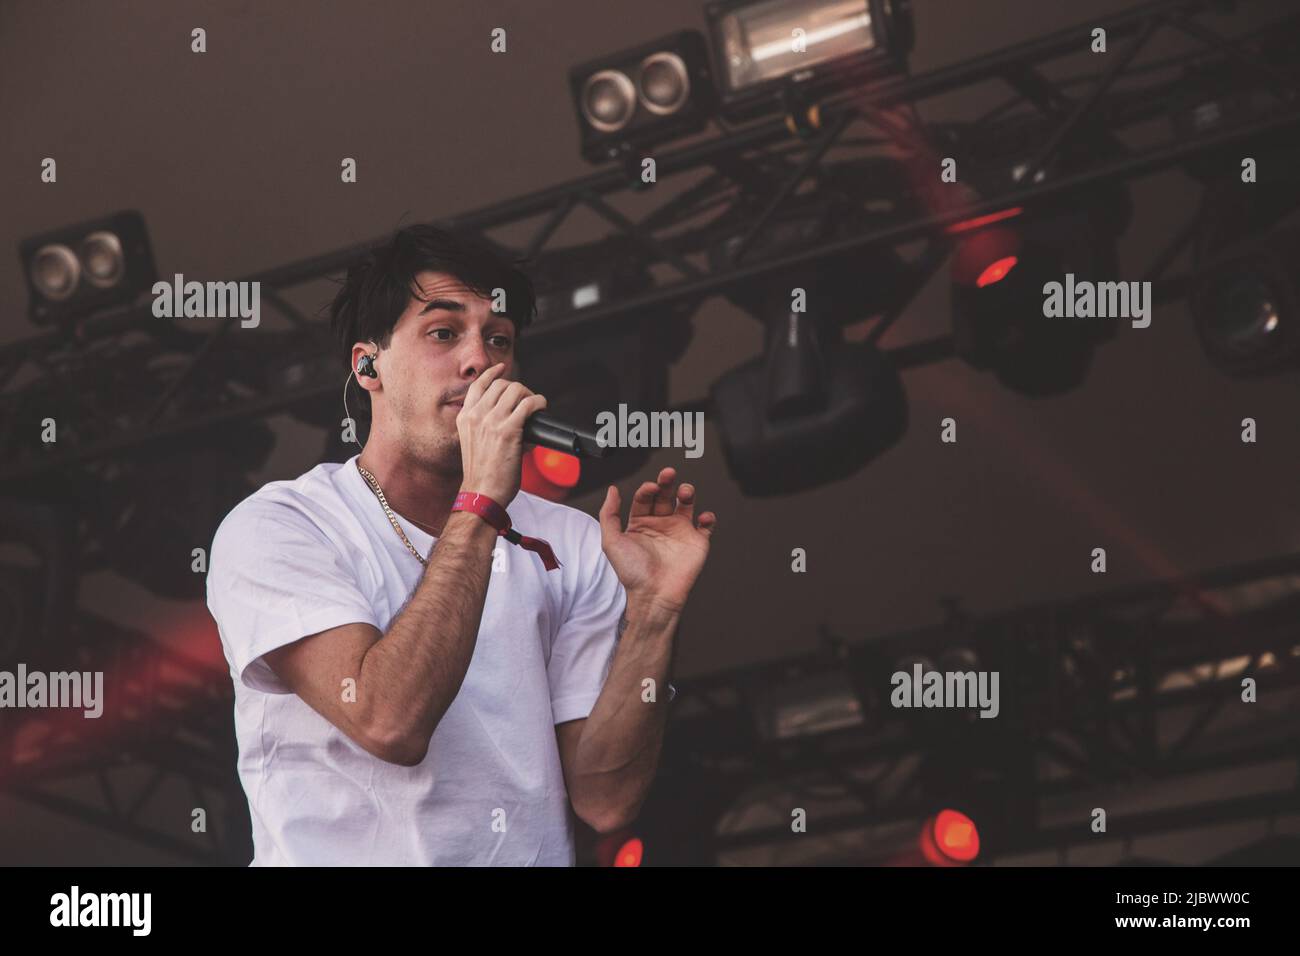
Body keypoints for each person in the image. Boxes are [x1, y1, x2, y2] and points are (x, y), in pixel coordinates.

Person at [205, 224, 716, 865]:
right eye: (444, 333)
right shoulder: (281, 526)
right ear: (368, 365)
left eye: (499, 339)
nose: (480, 360)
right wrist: (479, 502)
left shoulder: (573, 542)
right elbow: (388, 721)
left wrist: (652, 614)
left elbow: (604, 800)